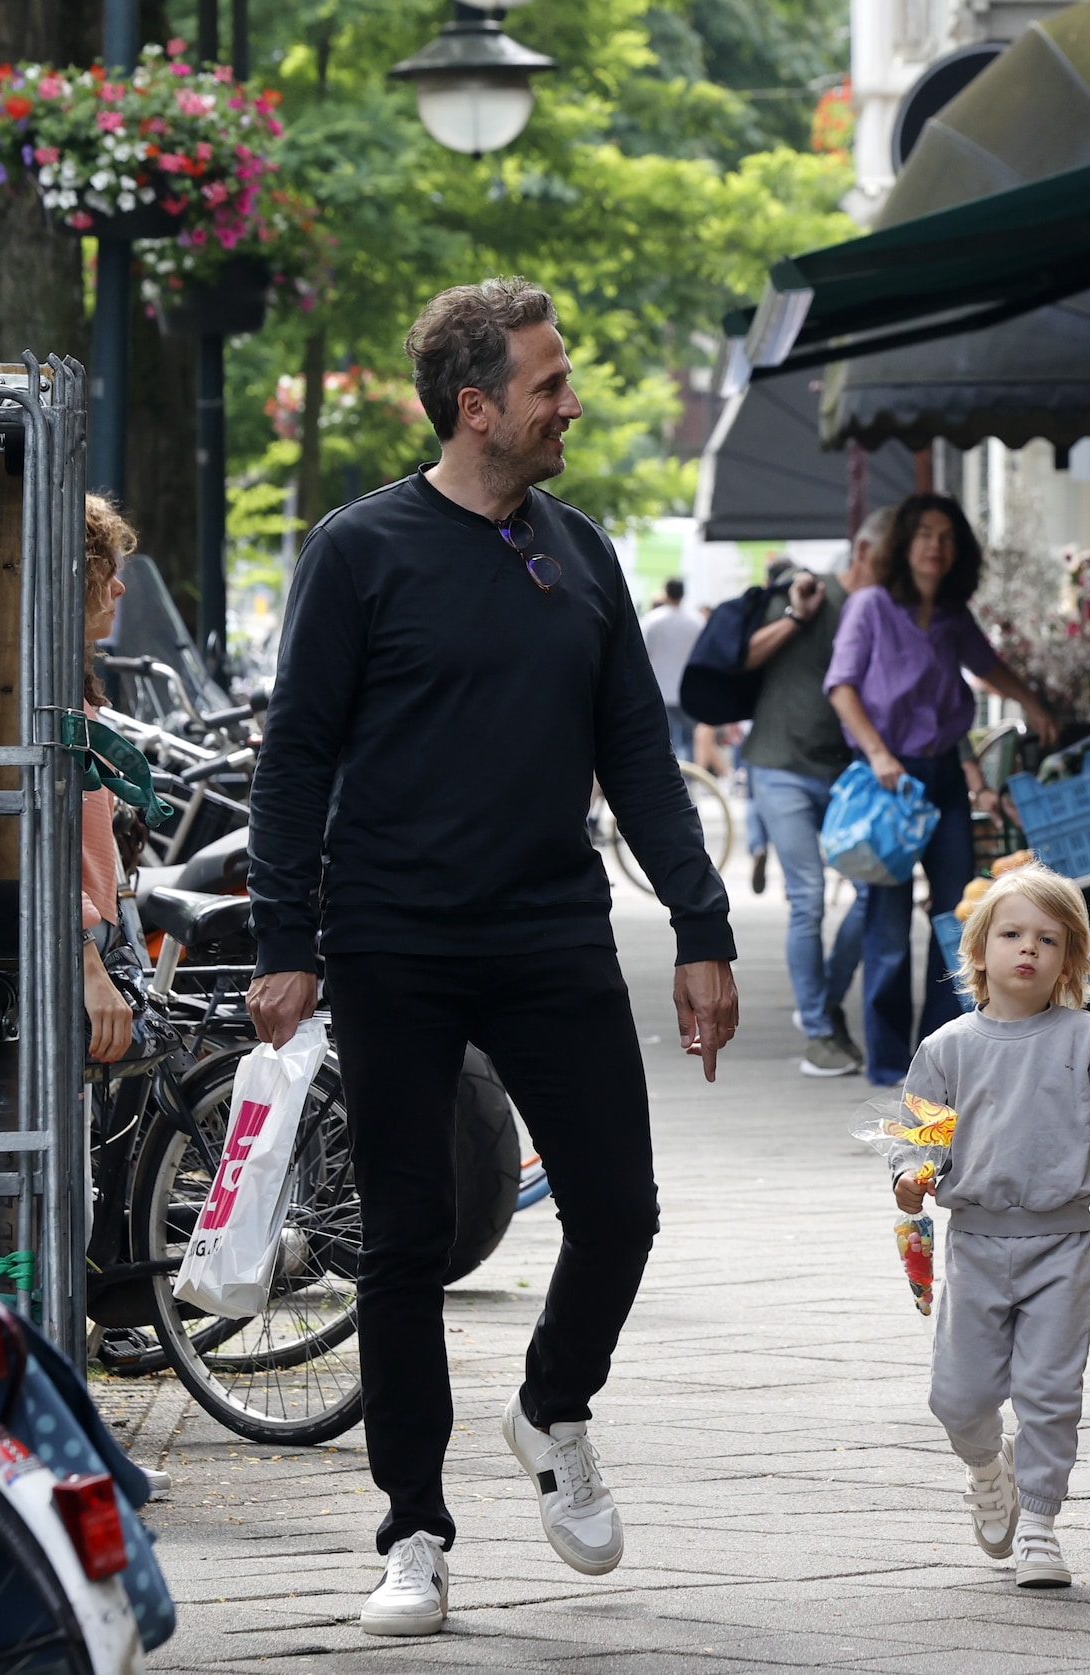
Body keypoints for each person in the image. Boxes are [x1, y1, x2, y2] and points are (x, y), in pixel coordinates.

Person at [244, 277, 740, 1639]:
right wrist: (286, 934)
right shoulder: (360, 550)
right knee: (404, 1240)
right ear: (478, 407)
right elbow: (296, 754)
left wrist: (702, 927)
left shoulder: (576, 549)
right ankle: (413, 1528)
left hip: (549, 930)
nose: (567, 401)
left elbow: (638, 751)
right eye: (548, 383)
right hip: (396, 938)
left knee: (621, 1209)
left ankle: (551, 1406)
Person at [893, 866, 1090, 1588]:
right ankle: (985, 1466)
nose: (1028, 950)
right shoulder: (948, 1048)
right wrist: (910, 1176)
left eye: (1048, 938)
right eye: (1011, 934)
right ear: (978, 951)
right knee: (956, 1395)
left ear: (1071, 959)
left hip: (1061, 1245)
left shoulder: (1087, 1039)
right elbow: (920, 1137)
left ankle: (1038, 1521)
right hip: (974, 1241)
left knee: (1050, 1390)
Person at [823, 493, 1058, 1085]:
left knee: (959, 915)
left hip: (945, 778)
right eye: (925, 534)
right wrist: (877, 753)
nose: (936, 545)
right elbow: (841, 685)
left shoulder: (953, 618)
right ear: (905, 545)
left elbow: (988, 665)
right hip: (889, 781)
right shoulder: (870, 606)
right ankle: (886, 1065)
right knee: (887, 922)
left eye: (948, 537)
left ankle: (942, 1051)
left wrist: (1032, 701)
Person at [740, 506, 890, 1075]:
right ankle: (820, 1030)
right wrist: (798, 618)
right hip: (779, 765)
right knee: (806, 899)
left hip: (842, 772)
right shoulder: (810, 590)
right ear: (867, 553)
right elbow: (744, 656)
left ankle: (823, 997)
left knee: (872, 891)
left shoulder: (887, 612)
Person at [80, 494, 135, 1066]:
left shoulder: (72, 688)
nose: (118, 588)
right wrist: (87, 964)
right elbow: (25, 848)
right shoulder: (37, 696)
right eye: (106, 571)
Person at [641, 577, 701, 759]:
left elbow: (642, 654)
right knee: (689, 739)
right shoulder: (696, 621)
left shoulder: (651, 620)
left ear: (666, 593)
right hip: (688, 690)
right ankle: (690, 781)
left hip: (659, 689)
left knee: (666, 741)